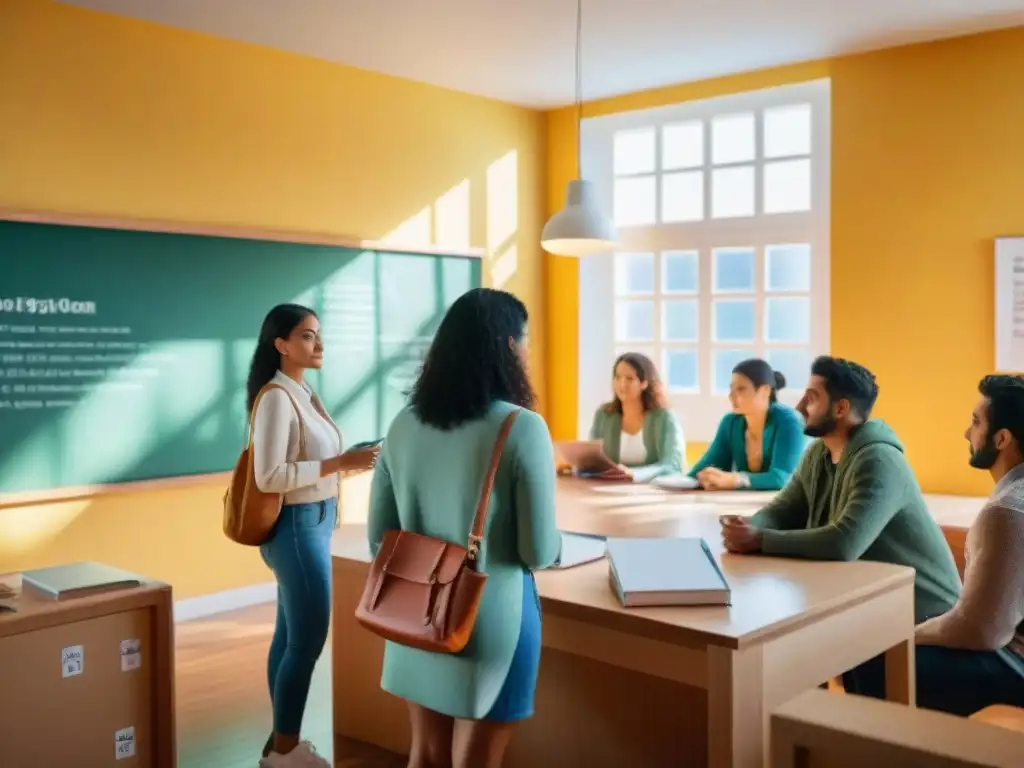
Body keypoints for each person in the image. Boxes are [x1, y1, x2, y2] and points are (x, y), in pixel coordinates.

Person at [367, 288, 561, 768]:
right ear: (510, 347)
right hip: (491, 617)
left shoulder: (403, 423)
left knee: (426, 756)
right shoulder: (521, 426)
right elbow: (537, 551)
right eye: (525, 342)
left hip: (413, 612)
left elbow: (379, 537)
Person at [719, 355, 961, 630]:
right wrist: (748, 527)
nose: (799, 406)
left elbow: (844, 542)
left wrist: (760, 539)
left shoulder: (879, 460)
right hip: (873, 608)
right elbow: (783, 510)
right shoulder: (818, 452)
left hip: (928, 620)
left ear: (841, 408)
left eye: (811, 398)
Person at [249, 304, 379, 768]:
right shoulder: (276, 398)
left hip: (315, 523)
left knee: (289, 638)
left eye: (318, 335)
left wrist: (352, 457)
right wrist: (341, 465)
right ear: (280, 345)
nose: (318, 344)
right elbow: (269, 476)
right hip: (296, 530)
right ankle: (286, 751)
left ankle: (280, 741)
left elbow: (315, 459)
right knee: (306, 641)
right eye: (307, 336)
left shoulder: (304, 393)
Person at [904, 374, 1024, 714]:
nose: (966, 433)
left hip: (1015, 665)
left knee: (879, 659)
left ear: (1001, 438)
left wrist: (907, 635)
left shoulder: (1007, 511)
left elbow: (982, 631)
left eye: (975, 422)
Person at [687, 358, 806, 491]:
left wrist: (737, 479)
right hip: (754, 504)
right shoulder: (731, 423)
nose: (731, 396)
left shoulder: (789, 422)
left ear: (765, 391)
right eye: (731, 389)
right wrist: (701, 478)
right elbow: (704, 468)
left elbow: (782, 479)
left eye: (741, 389)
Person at [586, 352, 686, 482]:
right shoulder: (604, 415)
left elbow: (672, 465)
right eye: (617, 377)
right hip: (609, 488)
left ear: (644, 383)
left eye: (629, 378)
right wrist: (575, 467)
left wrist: (634, 474)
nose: (622, 384)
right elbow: (593, 461)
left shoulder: (665, 418)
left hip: (654, 492)